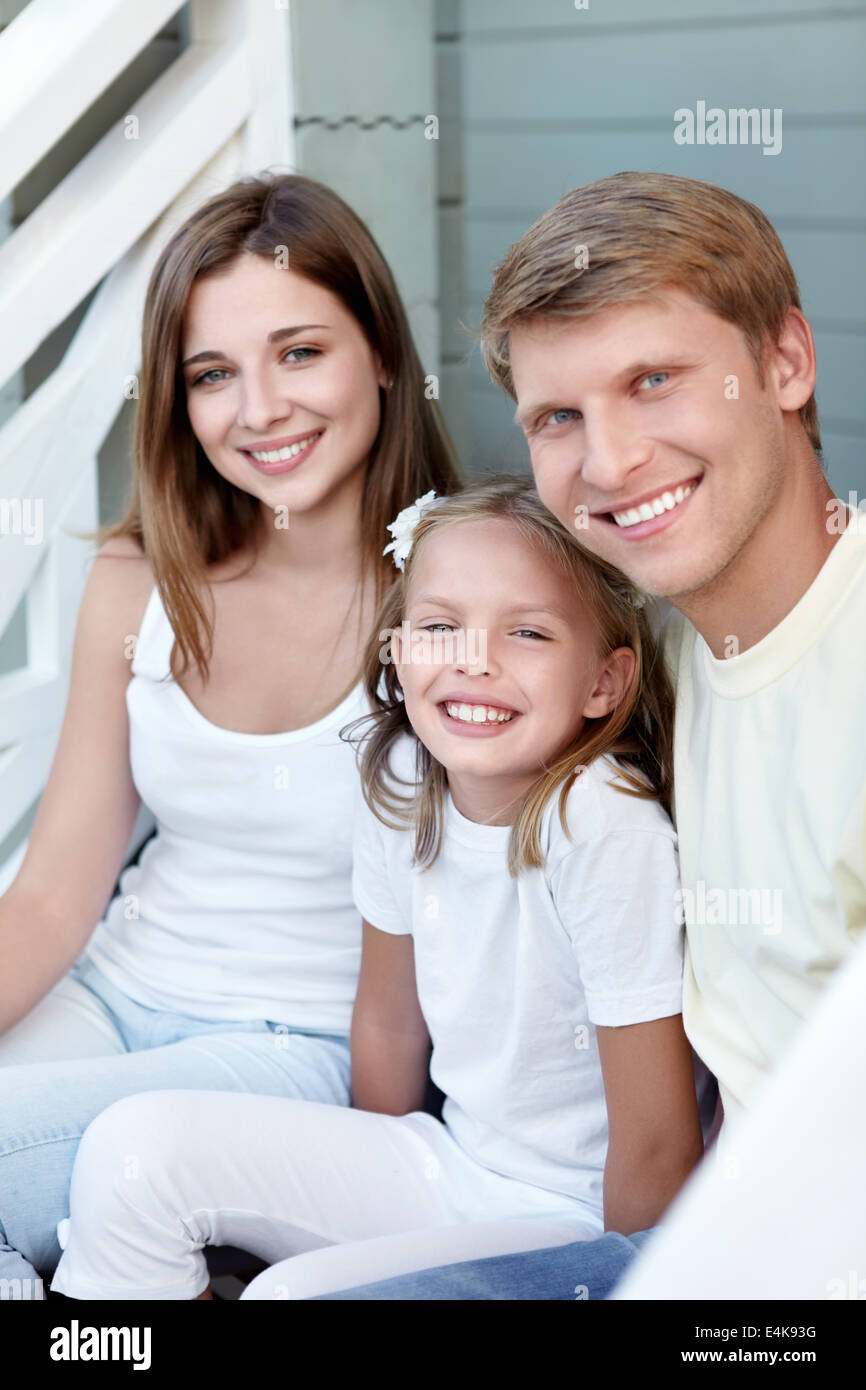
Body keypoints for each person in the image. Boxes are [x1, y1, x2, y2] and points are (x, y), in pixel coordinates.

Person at [297, 169, 866, 1299]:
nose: (606, 464)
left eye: (651, 380)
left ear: (784, 363)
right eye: (558, 416)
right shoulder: (652, 647)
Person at [49, 478, 706, 1300]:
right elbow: (388, 1022)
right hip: (448, 1162)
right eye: (439, 627)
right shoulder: (400, 777)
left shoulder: (601, 824)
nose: (474, 659)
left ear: (604, 683)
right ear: (397, 650)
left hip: (576, 1219)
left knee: (287, 1298)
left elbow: (658, 1145)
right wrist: (320, 1206)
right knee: (130, 1148)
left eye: (528, 632)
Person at [0, 171, 461, 1298]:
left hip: (294, 1040)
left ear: (384, 357)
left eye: (299, 352)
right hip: (113, 990)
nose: (258, 409)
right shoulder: (137, 578)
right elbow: (59, 887)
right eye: (212, 374)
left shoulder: (465, 597)